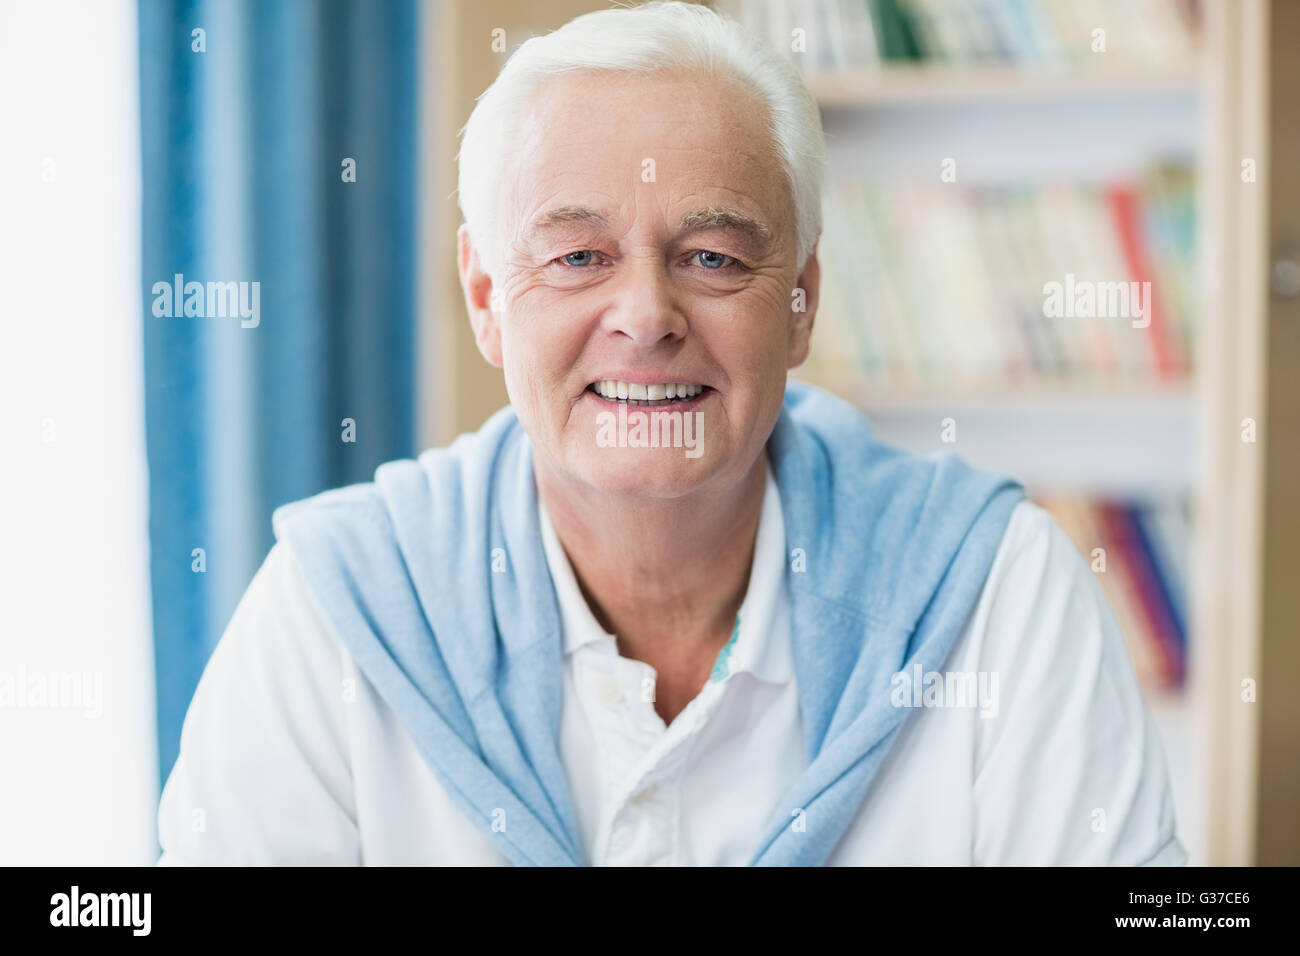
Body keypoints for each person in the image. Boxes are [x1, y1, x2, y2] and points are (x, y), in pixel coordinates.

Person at [157, 0, 1186, 866]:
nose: (646, 315)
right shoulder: (334, 611)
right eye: (576, 258)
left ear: (802, 301)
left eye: (711, 258)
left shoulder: (1000, 594)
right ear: (484, 295)